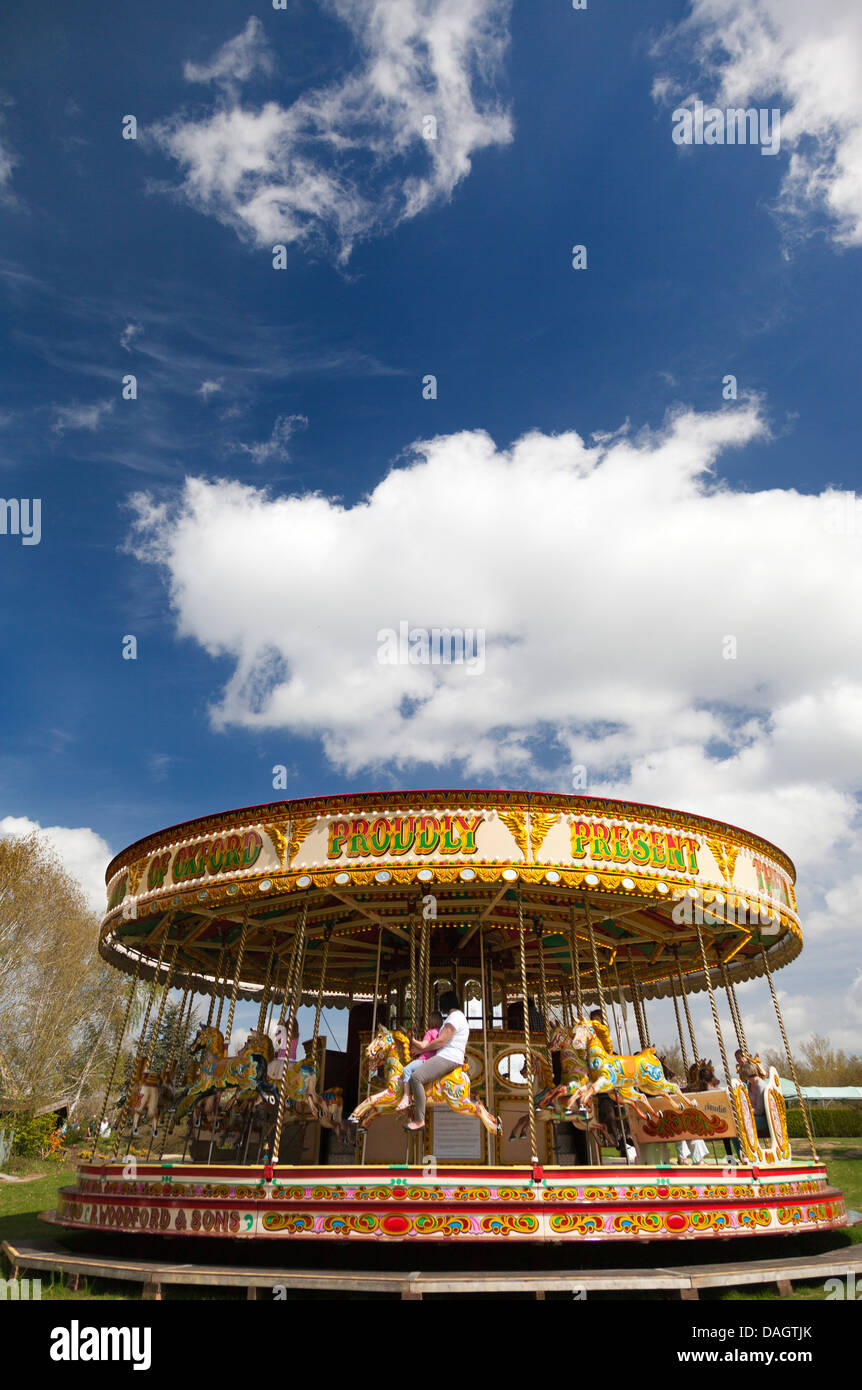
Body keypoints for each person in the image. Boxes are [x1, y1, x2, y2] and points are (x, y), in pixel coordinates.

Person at [404, 991, 470, 1131]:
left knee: (416, 1077)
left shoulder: (454, 1017)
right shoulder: (457, 1017)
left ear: (446, 1004)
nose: (440, 1008)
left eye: (441, 1004)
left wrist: (422, 1050)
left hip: (448, 1056)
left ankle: (420, 1119)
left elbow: (441, 1041)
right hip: (451, 1056)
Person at [395, 1012, 442, 1112]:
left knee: (406, 1069)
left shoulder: (430, 1032)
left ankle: (406, 1096)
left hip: (425, 1059)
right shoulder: (440, 1032)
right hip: (434, 1060)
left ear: (430, 1021)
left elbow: (423, 1045)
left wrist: (413, 1040)